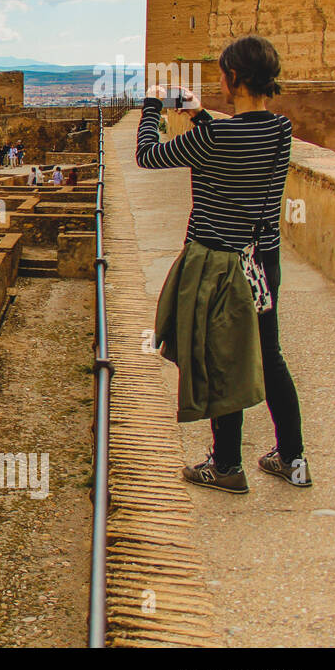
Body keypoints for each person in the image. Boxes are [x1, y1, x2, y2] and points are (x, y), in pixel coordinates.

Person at [136, 34, 308, 493]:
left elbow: (147, 156)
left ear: (232, 78)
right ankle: (293, 459)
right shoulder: (281, 130)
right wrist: (199, 114)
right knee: (269, 357)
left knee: (221, 359)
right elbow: (239, 135)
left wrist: (152, 106)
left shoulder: (212, 138)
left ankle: (227, 466)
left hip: (218, 264)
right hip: (262, 261)